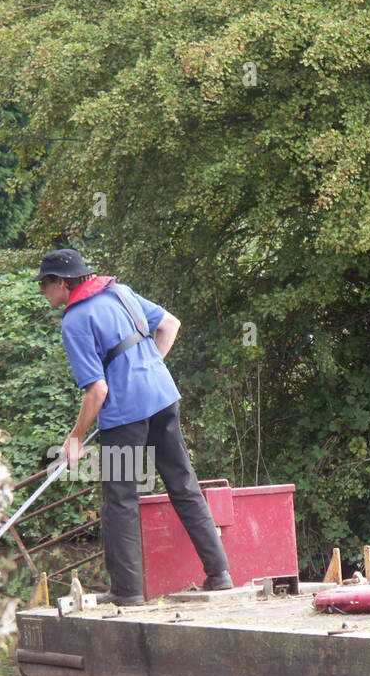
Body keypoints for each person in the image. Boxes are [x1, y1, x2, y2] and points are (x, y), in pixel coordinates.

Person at [35, 247, 233, 606]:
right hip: (163, 397)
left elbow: (98, 389)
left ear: (61, 283)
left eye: (44, 285)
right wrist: (146, 369)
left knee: (121, 500)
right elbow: (169, 325)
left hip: (125, 415)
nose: (42, 293)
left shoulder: (74, 320)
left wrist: (75, 438)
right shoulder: (119, 291)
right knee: (184, 485)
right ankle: (219, 574)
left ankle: (128, 592)